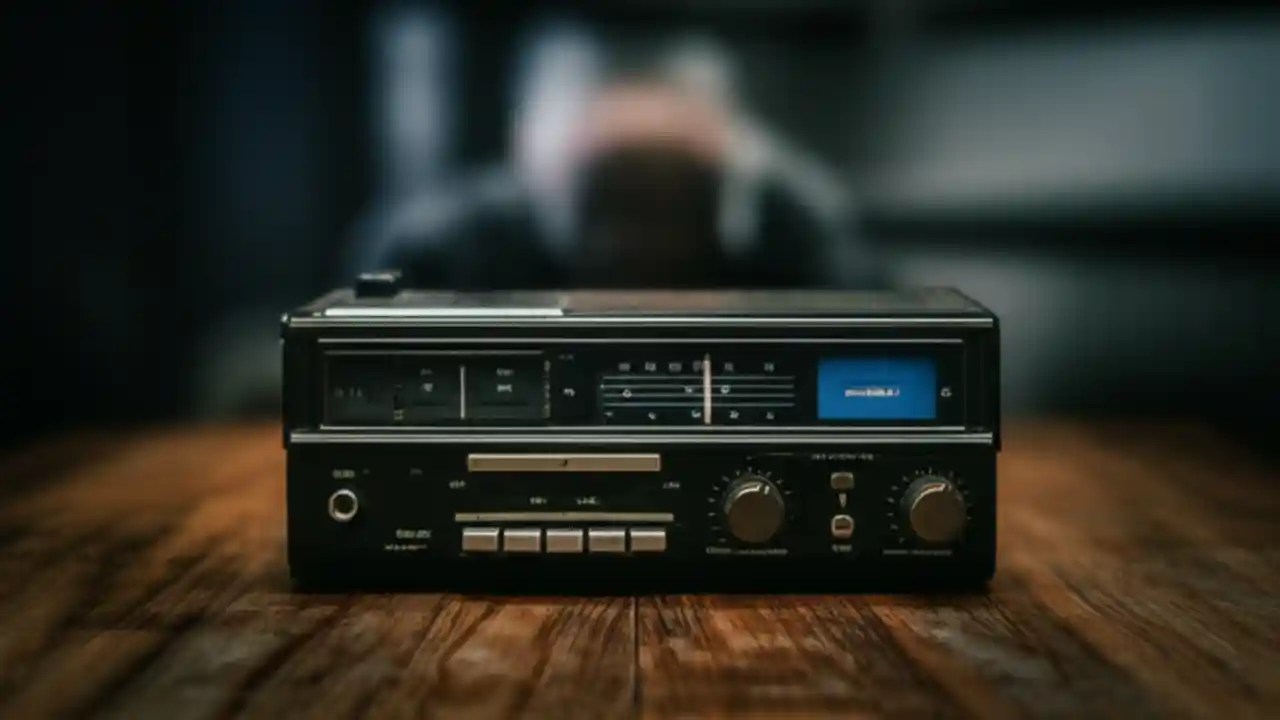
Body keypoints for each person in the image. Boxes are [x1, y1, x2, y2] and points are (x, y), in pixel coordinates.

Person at [347, 25, 886, 291]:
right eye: (616, 196)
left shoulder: (797, 226)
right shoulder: (447, 242)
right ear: (552, 187)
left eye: (671, 202)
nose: (640, 243)